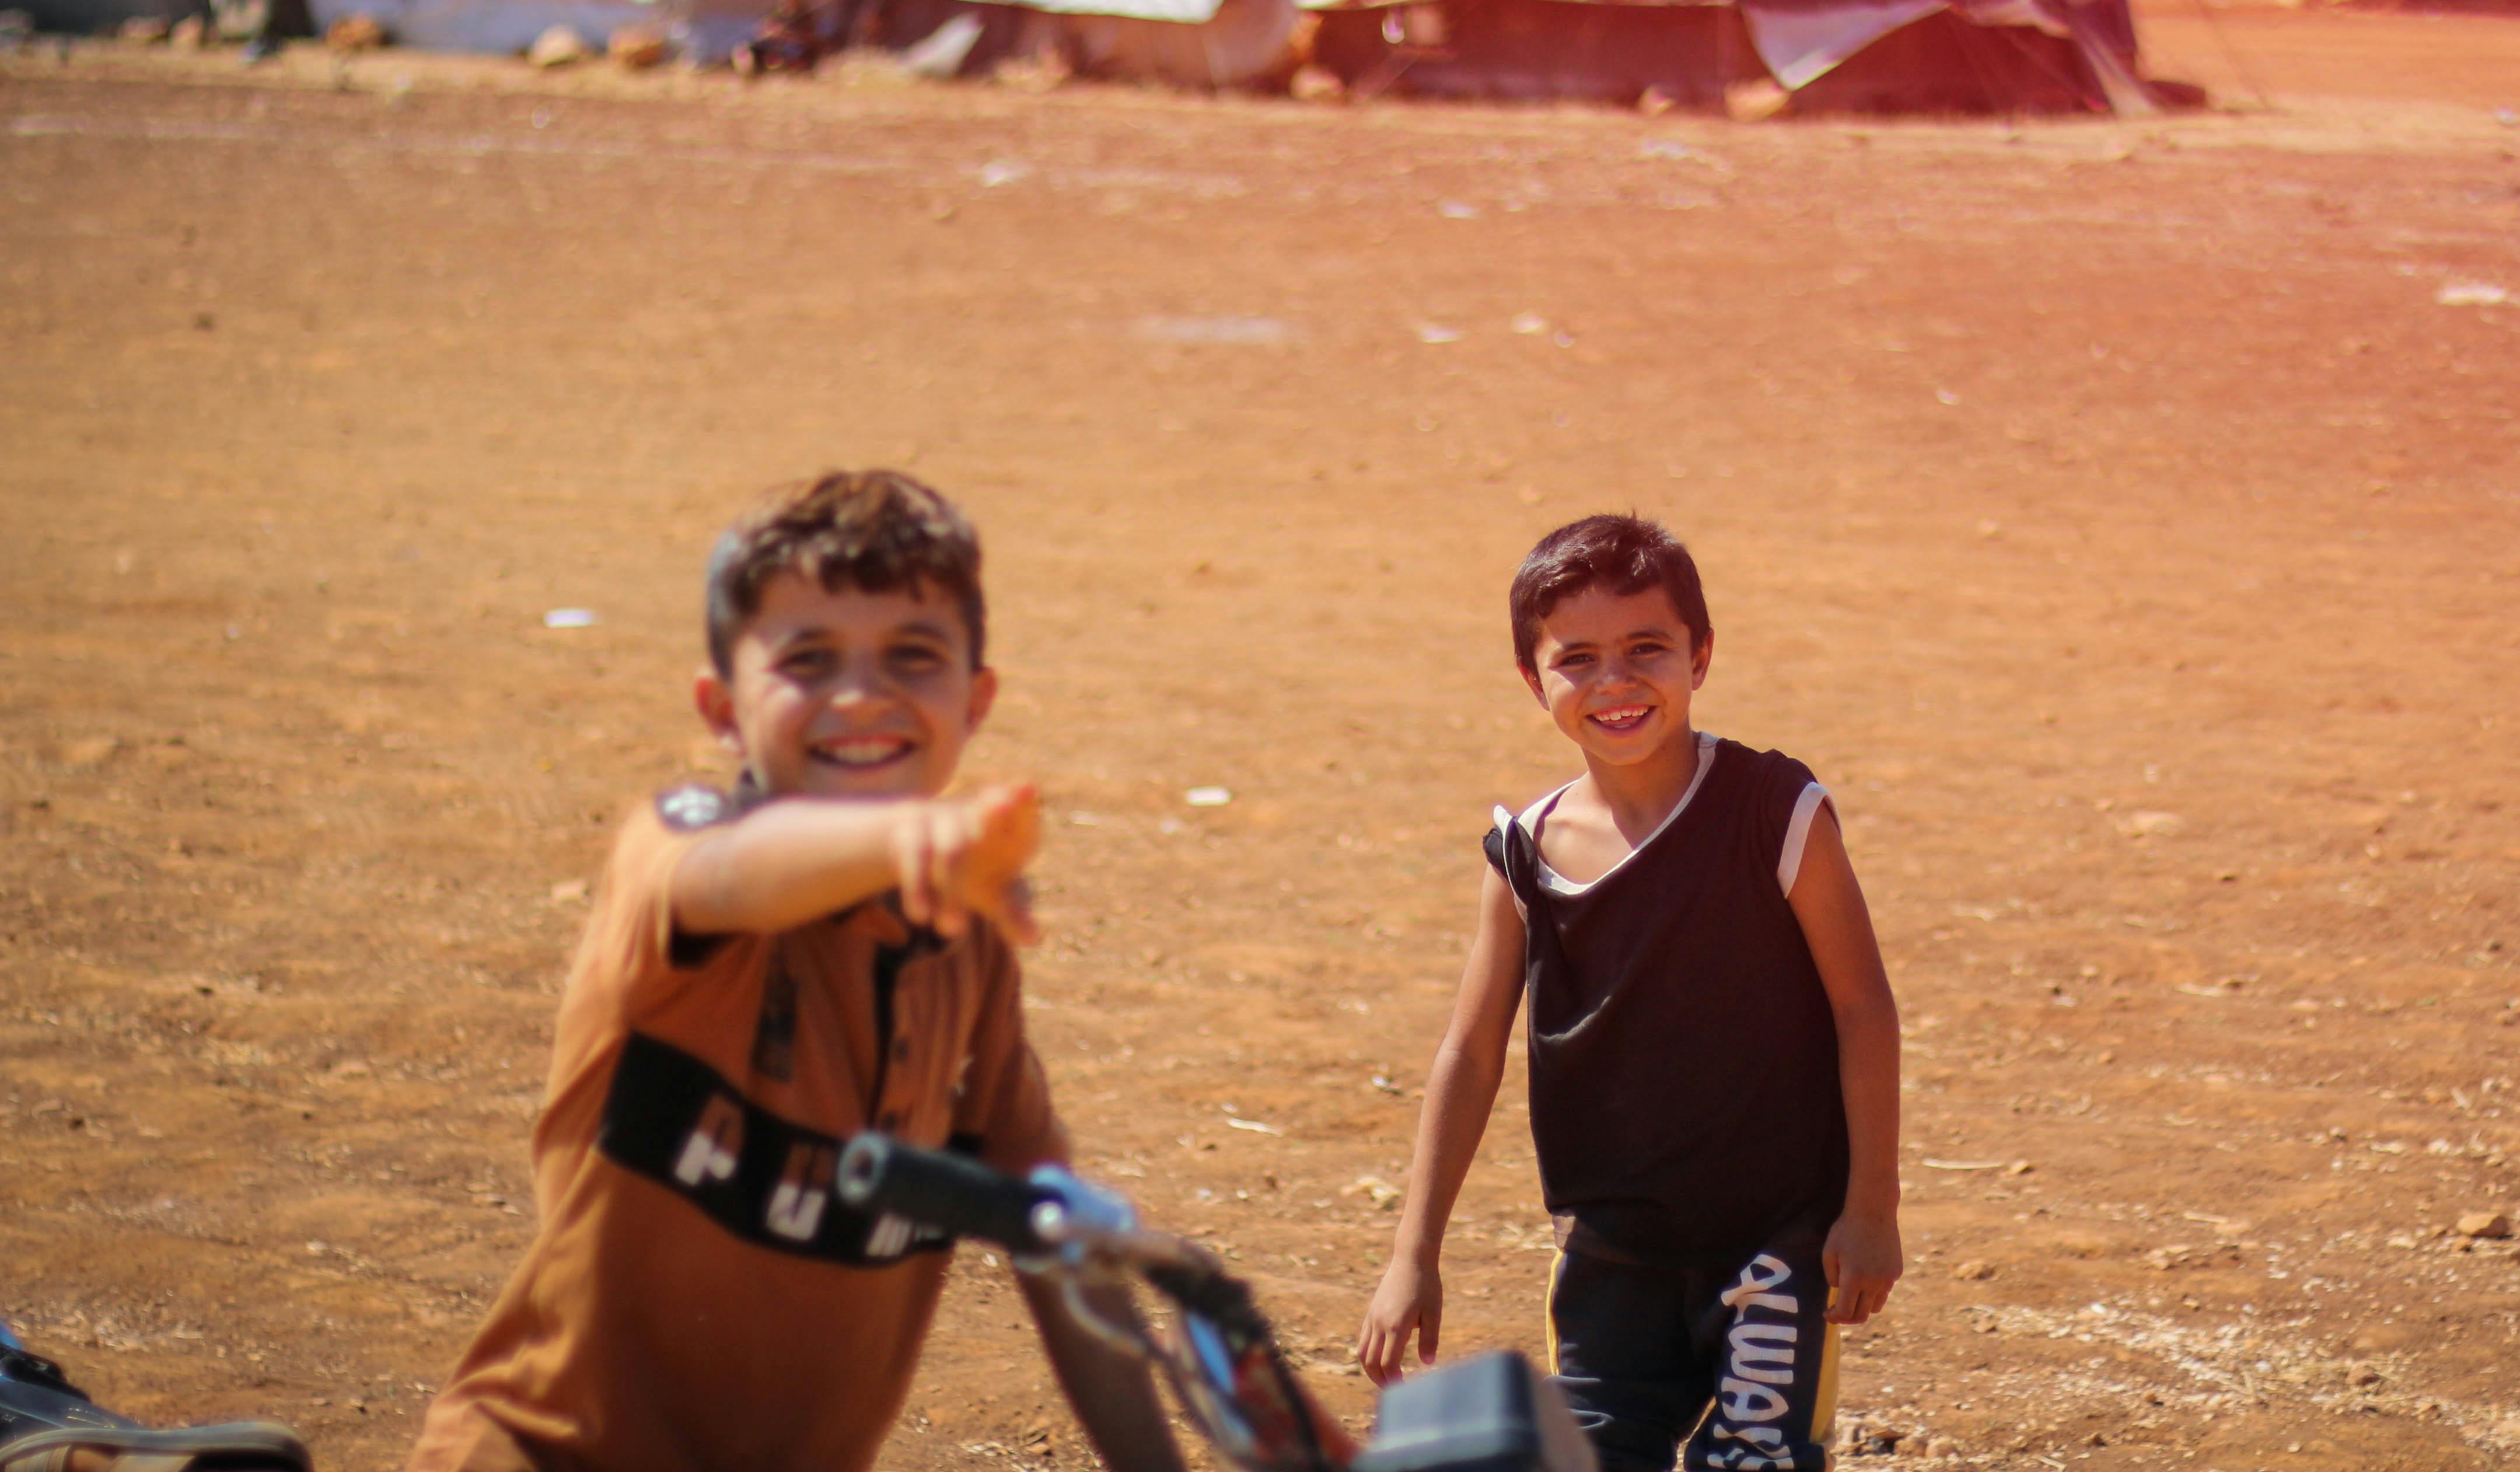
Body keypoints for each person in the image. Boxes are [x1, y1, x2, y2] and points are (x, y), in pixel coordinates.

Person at [408, 471, 1183, 1472]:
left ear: (976, 698)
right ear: (721, 710)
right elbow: (726, 879)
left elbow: (1060, 1243)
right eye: (808, 660)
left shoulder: (968, 953)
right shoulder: (678, 855)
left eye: (914, 655)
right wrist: (920, 832)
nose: (862, 696)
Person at [1356, 515, 1903, 1472]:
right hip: (1610, 1254)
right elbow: (1471, 1051)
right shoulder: (1524, 853)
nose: (1615, 682)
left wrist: (1871, 1206)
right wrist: (1414, 1253)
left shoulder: (1777, 813)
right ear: (1535, 682)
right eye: (1579, 660)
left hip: (1776, 1245)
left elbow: (1863, 1006)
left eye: (1647, 648)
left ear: (1701, 657)